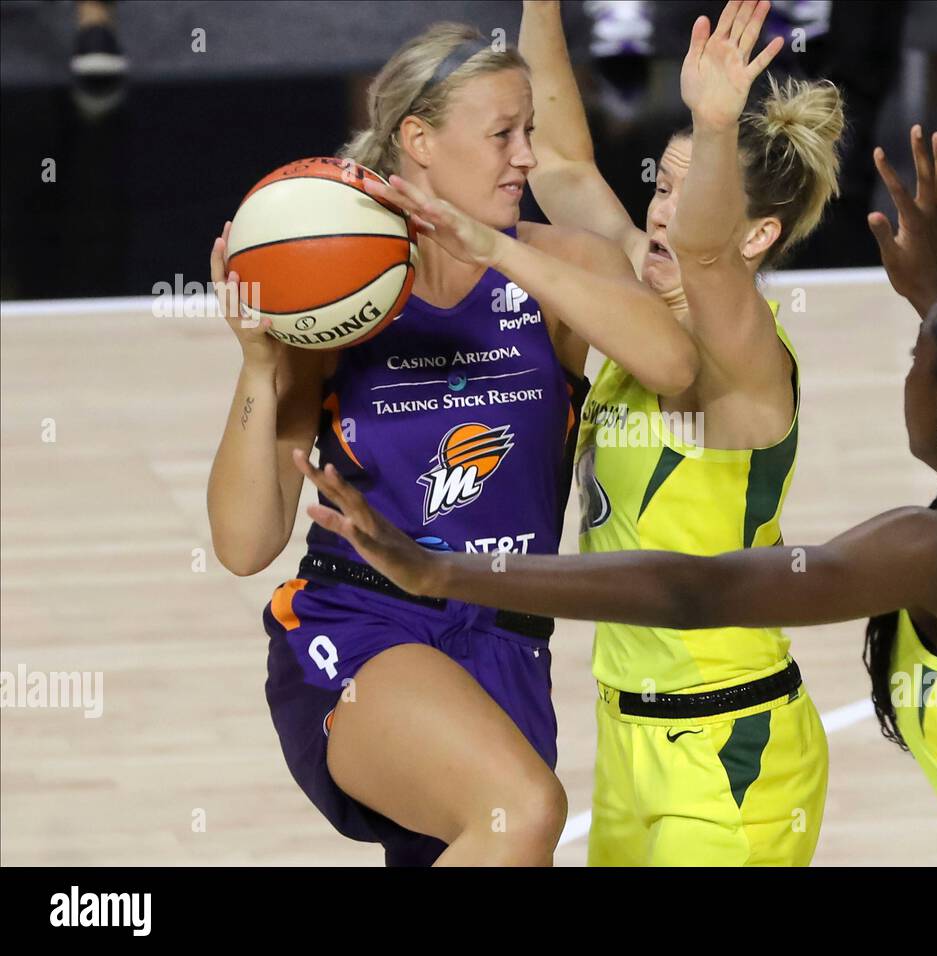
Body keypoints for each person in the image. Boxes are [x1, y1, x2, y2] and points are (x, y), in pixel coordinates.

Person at [293, 125, 937, 866]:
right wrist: (934, 297)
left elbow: (697, 590)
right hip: (636, 741)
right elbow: (575, 167)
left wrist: (440, 569)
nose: (903, 373)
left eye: (917, 354)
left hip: (729, 759)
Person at [207, 22, 697, 866]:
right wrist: (260, 367)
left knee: (498, 830)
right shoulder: (336, 291)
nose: (525, 158)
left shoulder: (558, 265)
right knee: (521, 809)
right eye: (503, 134)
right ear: (419, 141)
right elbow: (245, 544)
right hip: (363, 622)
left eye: (531, 133)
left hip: (509, 642)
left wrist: (502, 250)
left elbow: (673, 363)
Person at [517, 0, 844, 864]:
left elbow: (703, 255)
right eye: (661, 184)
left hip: (729, 754)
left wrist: (713, 122)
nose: (661, 212)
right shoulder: (633, 287)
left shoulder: (746, 362)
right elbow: (556, 159)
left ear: (759, 234)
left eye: (686, 192)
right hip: (627, 741)